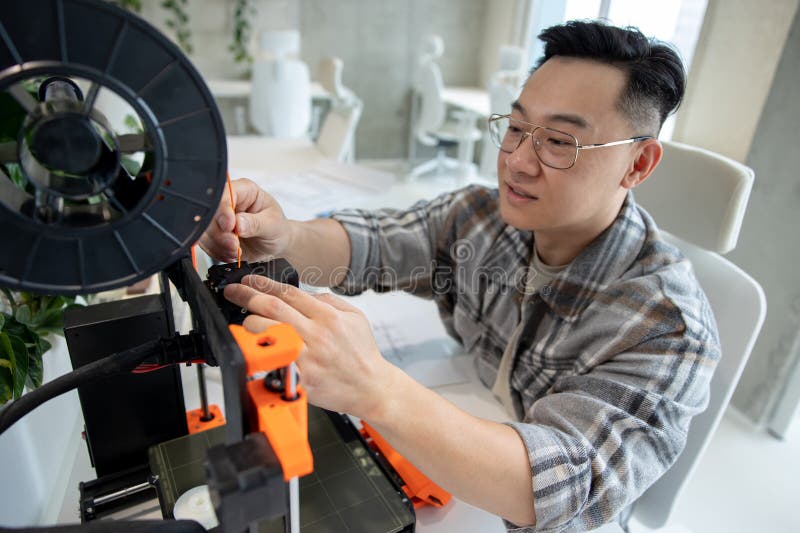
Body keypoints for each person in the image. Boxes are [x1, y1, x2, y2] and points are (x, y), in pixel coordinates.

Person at [200, 20, 719, 532]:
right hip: (462, 425)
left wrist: (376, 389)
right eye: (515, 129)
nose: (516, 162)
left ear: (638, 164)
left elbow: (563, 486)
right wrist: (283, 236)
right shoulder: (484, 216)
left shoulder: (666, 325)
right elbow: (378, 244)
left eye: (559, 142)